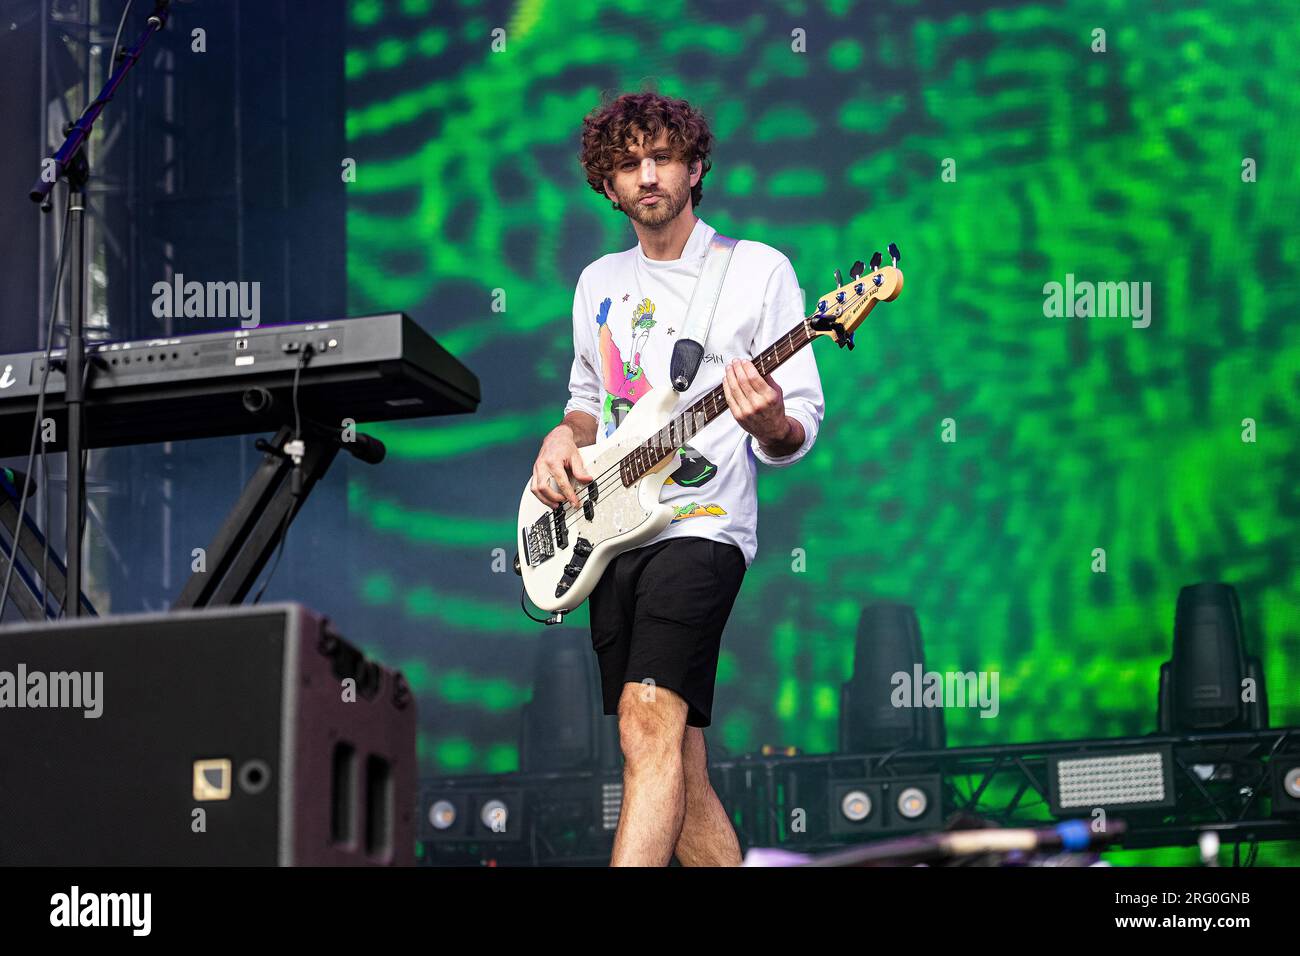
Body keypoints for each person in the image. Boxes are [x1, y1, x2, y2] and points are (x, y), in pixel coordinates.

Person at [529, 92, 825, 866]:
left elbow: (799, 424)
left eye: (663, 158)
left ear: (696, 168)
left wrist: (767, 424)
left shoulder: (758, 271)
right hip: (608, 531)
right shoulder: (597, 281)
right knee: (676, 761)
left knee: (645, 718)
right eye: (629, 164)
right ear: (607, 184)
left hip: (704, 523)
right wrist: (563, 437)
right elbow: (589, 400)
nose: (648, 175)